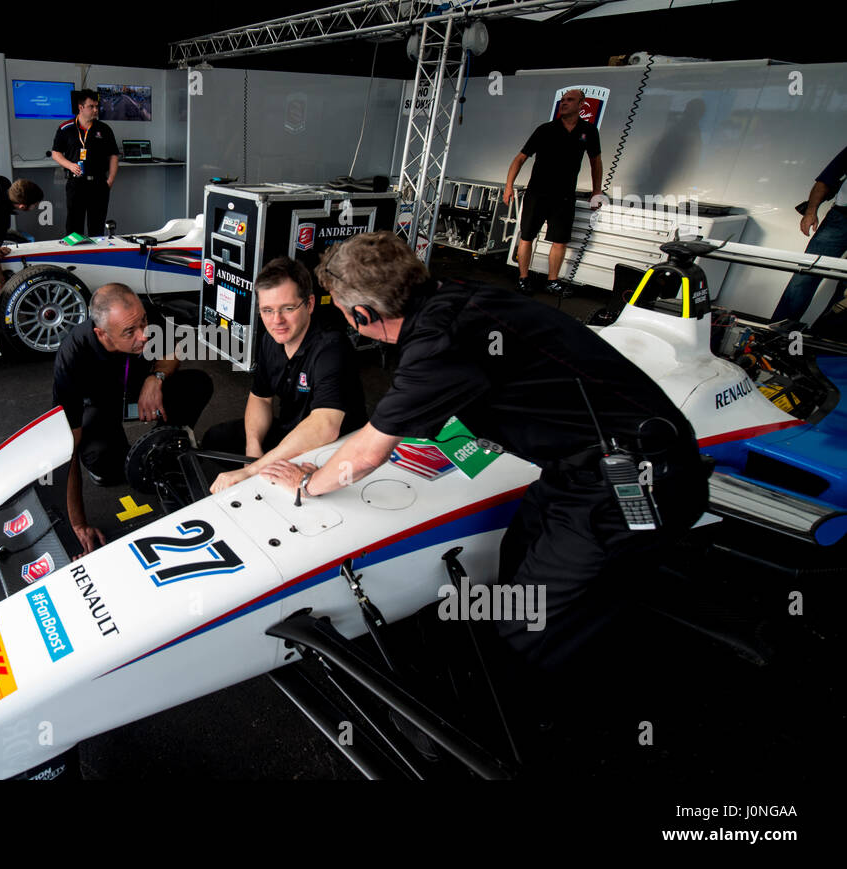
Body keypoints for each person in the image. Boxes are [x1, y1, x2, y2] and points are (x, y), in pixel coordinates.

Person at [259, 232, 708, 671]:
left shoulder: (440, 344)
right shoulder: (454, 297)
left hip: (634, 483)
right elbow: (433, 413)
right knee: (515, 555)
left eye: (339, 310)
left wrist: (307, 482)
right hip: (577, 469)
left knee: (531, 622)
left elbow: (367, 454)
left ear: (361, 313)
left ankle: (532, 699)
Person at [53, 284, 213, 556]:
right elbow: (66, 446)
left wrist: (157, 378)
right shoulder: (73, 355)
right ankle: (109, 460)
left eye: (144, 323)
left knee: (198, 383)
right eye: (130, 332)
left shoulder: (141, 315)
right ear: (101, 334)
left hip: (142, 393)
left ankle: (163, 447)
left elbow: (175, 350)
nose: (144, 335)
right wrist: (77, 524)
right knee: (107, 466)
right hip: (102, 407)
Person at [202, 257, 367, 492]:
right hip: (290, 433)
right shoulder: (271, 339)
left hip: (332, 446)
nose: (276, 320)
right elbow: (260, 397)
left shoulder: (331, 347)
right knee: (216, 439)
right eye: (267, 311)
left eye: (288, 309)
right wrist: (254, 448)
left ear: (309, 304)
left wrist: (253, 469)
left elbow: (324, 426)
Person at [503, 89, 603, 296]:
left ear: (581, 104)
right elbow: (520, 158)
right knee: (527, 236)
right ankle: (523, 279)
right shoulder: (545, 130)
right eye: (562, 100)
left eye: (569, 100)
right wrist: (508, 185)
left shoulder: (589, 131)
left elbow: (596, 162)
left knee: (560, 240)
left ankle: (553, 281)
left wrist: (596, 191)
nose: (564, 103)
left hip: (564, 195)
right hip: (537, 193)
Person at [770, 144, 847, 329]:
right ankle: (777, 332)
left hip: (839, 219)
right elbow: (826, 179)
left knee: (845, 292)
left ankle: (826, 338)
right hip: (841, 218)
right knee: (806, 275)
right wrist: (811, 212)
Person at [50, 90, 118, 239]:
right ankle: (74, 258)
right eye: (91, 106)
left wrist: (110, 180)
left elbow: (113, 155)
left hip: (99, 184)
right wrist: (69, 165)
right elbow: (56, 153)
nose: (95, 110)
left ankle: (97, 258)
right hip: (76, 183)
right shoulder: (65, 128)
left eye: (96, 106)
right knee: (74, 225)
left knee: (97, 226)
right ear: (81, 107)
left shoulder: (104, 129)